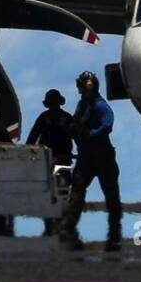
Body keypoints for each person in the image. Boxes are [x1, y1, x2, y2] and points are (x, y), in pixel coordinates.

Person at [59, 71, 122, 250]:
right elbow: (77, 123)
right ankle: (69, 228)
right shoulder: (82, 104)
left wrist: (90, 134)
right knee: (77, 191)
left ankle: (114, 234)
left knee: (111, 196)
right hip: (86, 156)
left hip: (102, 156)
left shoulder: (100, 106)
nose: (82, 90)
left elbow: (107, 125)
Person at [25, 89, 75, 166]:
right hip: (45, 156)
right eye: (52, 103)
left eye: (55, 103)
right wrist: (27, 152)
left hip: (64, 157)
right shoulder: (43, 117)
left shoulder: (67, 117)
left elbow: (75, 134)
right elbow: (33, 136)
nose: (54, 105)